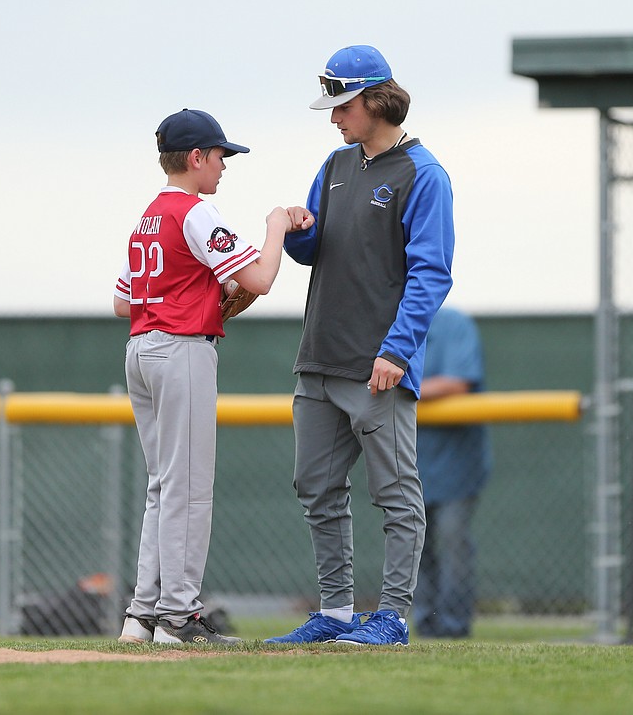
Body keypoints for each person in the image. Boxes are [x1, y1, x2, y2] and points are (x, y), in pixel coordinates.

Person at [265, 45, 455, 646]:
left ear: (375, 100)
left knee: (396, 495)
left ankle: (393, 618)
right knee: (316, 489)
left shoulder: (424, 174)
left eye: (342, 105)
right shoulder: (335, 164)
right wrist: (301, 230)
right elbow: (315, 252)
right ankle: (337, 614)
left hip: (378, 367)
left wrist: (397, 352)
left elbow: (432, 274)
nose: (334, 117)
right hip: (319, 359)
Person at [114, 108, 300, 645]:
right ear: (195, 158)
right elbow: (260, 279)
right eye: (220, 155)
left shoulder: (148, 215)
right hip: (180, 351)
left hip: (142, 350)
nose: (224, 165)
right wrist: (276, 226)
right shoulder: (196, 212)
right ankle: (180, 616)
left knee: (163, 488)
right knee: (189, 490)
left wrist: (196, 292)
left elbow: (122, 301)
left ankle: (142, 616)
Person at [412, 307, 492, 639]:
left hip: (456, 463)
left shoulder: (454, 324)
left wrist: (401, 382)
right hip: (409, 460)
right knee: (414, 545)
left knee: (452, 540)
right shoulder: (388, 321)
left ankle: (453, 628)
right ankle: (426, 626)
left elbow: (458, 382)